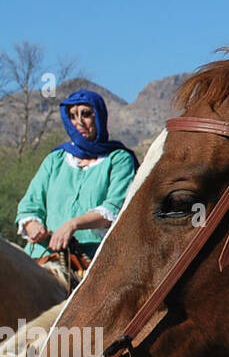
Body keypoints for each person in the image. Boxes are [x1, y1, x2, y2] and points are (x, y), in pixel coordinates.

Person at [16, 90, 139, 276]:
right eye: (72, 116)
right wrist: (32, 226)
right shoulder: (56, 159)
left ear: (99, 116)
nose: (79, 121)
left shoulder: (119, 159)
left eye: (86, 114)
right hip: (43, 256)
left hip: (93, 260)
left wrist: (73, 224)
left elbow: (114, 208)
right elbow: (30, 204)